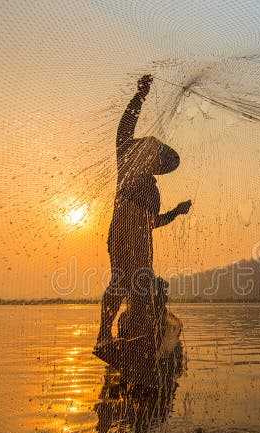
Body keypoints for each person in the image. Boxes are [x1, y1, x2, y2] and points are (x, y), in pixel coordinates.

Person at [96, 74, 192, 347]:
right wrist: (140, 95)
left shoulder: (152, 186)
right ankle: (104, 335)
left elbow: (152, 222)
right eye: (151, 152)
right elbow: (125, 127)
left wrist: (176, 212)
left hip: (142, 239)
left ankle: (141, 336)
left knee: (150, 287)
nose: (153, 158)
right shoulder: (127, 163)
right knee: (123, 279)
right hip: (124, 230)